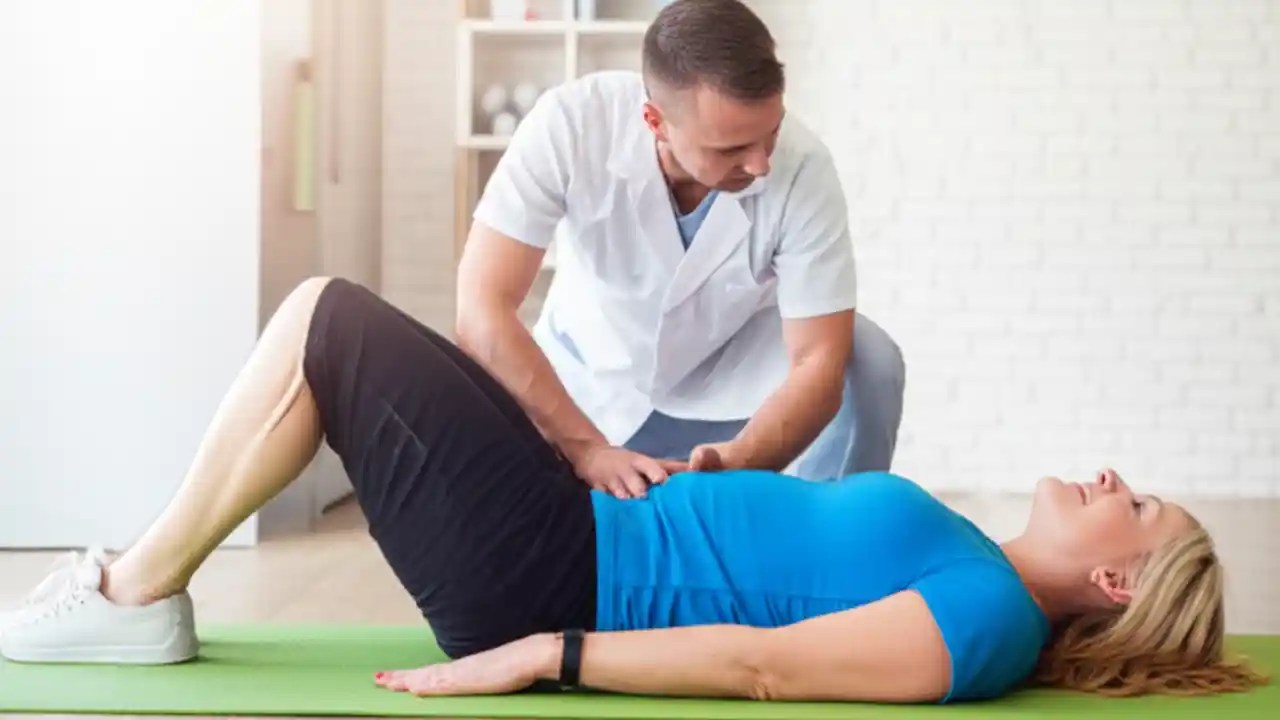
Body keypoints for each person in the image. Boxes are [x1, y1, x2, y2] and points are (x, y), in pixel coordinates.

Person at [0, 279, 1265, 703]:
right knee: (386, 329)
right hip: (586, 520)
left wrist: (539, 656)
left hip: (553, 575)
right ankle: (139, 587)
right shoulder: (976, 569)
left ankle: (133, 589)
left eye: (1135, 502)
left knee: (324, 323)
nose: (1111, 479)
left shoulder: (984, 624)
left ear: (1112, 581)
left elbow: (765, 667)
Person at [456, 0, 906, 501]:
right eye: (731, 149)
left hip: (729, 384)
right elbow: (480, 311)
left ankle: (829, 549)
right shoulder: (571, 123)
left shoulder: (804, 168)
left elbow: (819, 360)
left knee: (870, 359)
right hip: (592, 382)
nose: (760, 164)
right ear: (655, 121)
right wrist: (586, 449)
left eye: (770, 133)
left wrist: (744, 460)